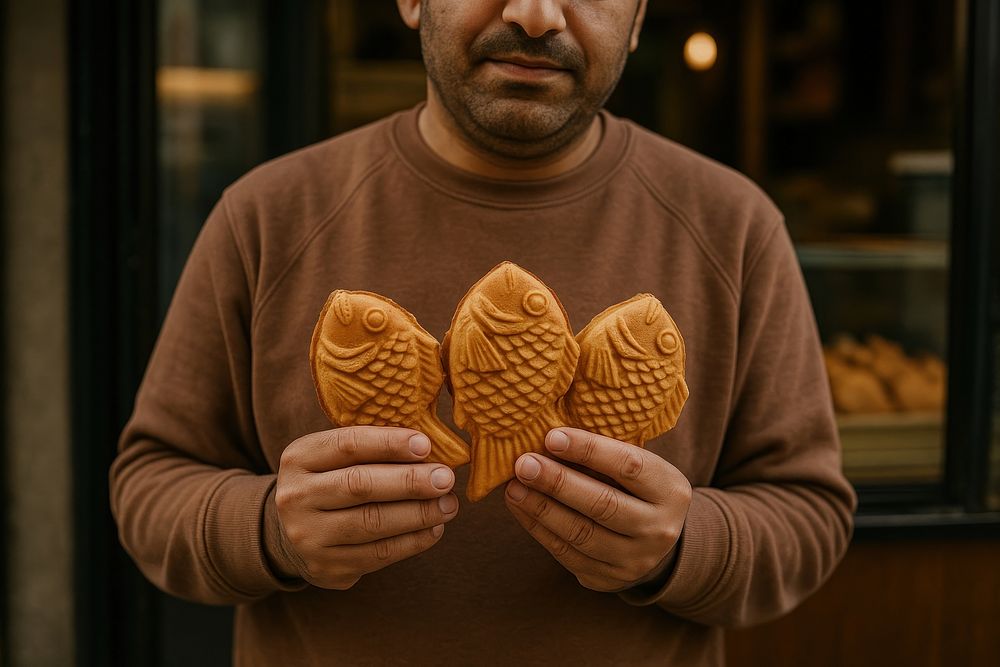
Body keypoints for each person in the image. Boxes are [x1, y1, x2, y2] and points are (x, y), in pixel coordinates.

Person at [111, 1, 856, 664]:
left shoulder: (734, 226)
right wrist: (269, 530)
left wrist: (685, 545)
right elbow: (150, 485)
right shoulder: (267, 217)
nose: (536, 14)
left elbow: (810, 512)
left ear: (636, 19)